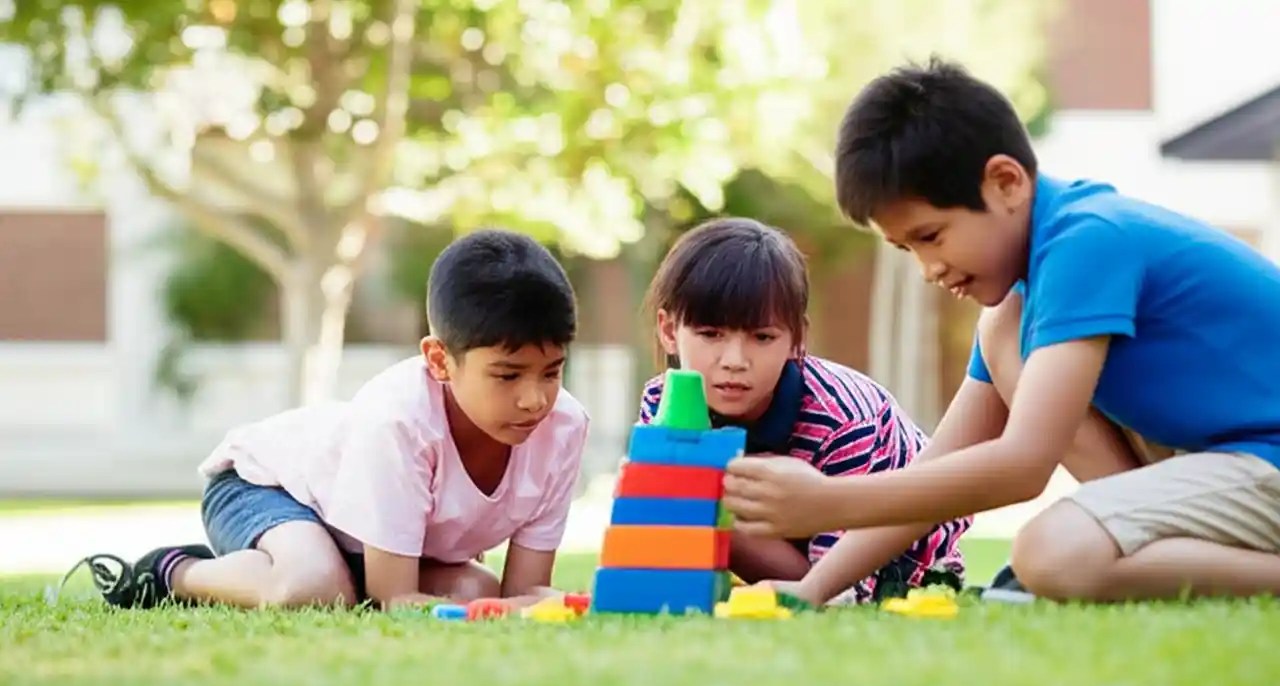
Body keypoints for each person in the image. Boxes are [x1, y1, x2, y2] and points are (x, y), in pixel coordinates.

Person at [720, 57, 1280, 603]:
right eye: (907, 248)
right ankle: (1126, 556)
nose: (928, 269)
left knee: (1050, 554)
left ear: (1006, 182)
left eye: (932, 236)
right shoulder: (1020, 304)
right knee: (1004, 333)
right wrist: (812, 587)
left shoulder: (1088, 240)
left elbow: (1022, 465)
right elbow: (937, 473)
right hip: (1222, 461)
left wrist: (829, 502)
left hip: (1262, 455)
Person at [68, 229, 590, 611]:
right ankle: (173, 573)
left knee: (473, 592)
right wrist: (515, 610)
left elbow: (517, 593)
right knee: (316, 590)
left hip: (361, 543)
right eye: (507, 376)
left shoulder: (564, 427)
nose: (535, 400)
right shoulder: (400, 421)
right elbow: (396, 601)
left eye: (552, 372)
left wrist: (567, 605)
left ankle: (331, 571)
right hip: (268, 488)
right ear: (438, 361)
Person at [636, 217, 970, 605]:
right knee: (692, 496)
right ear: (668, 330)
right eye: (711, 334)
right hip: (787, 543)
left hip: (900, 564)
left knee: (706, 499)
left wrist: (709, 510)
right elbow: (658, 534)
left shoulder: (841, 416)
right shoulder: (663, 402)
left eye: (762, 337)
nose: (735, 360)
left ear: (797, 339)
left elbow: (839, 589)